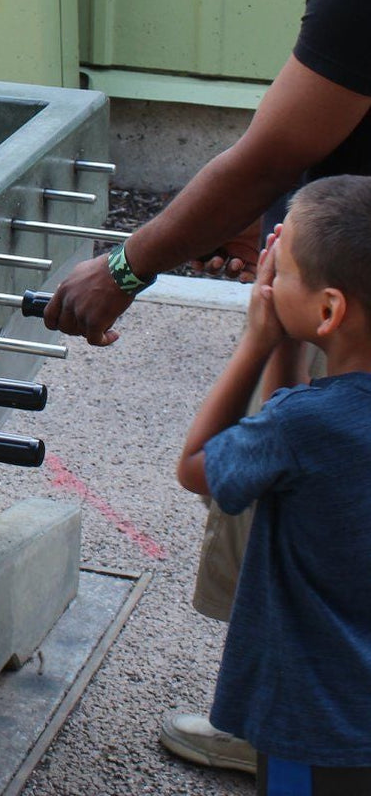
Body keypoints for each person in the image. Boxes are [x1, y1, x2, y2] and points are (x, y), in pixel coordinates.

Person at [44, 0, 371, 775]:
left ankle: (276, 725)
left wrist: (124, 269)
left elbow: (267, 150)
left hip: (354, 292)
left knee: (294, 518)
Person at [176, 176, 371, 793]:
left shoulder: (300, 427)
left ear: (329, 311)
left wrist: (258, 341)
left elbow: (198, 466)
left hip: (310, 722)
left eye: (279, 270)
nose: (266, 279)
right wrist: (291, 329)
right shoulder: (309, 425)